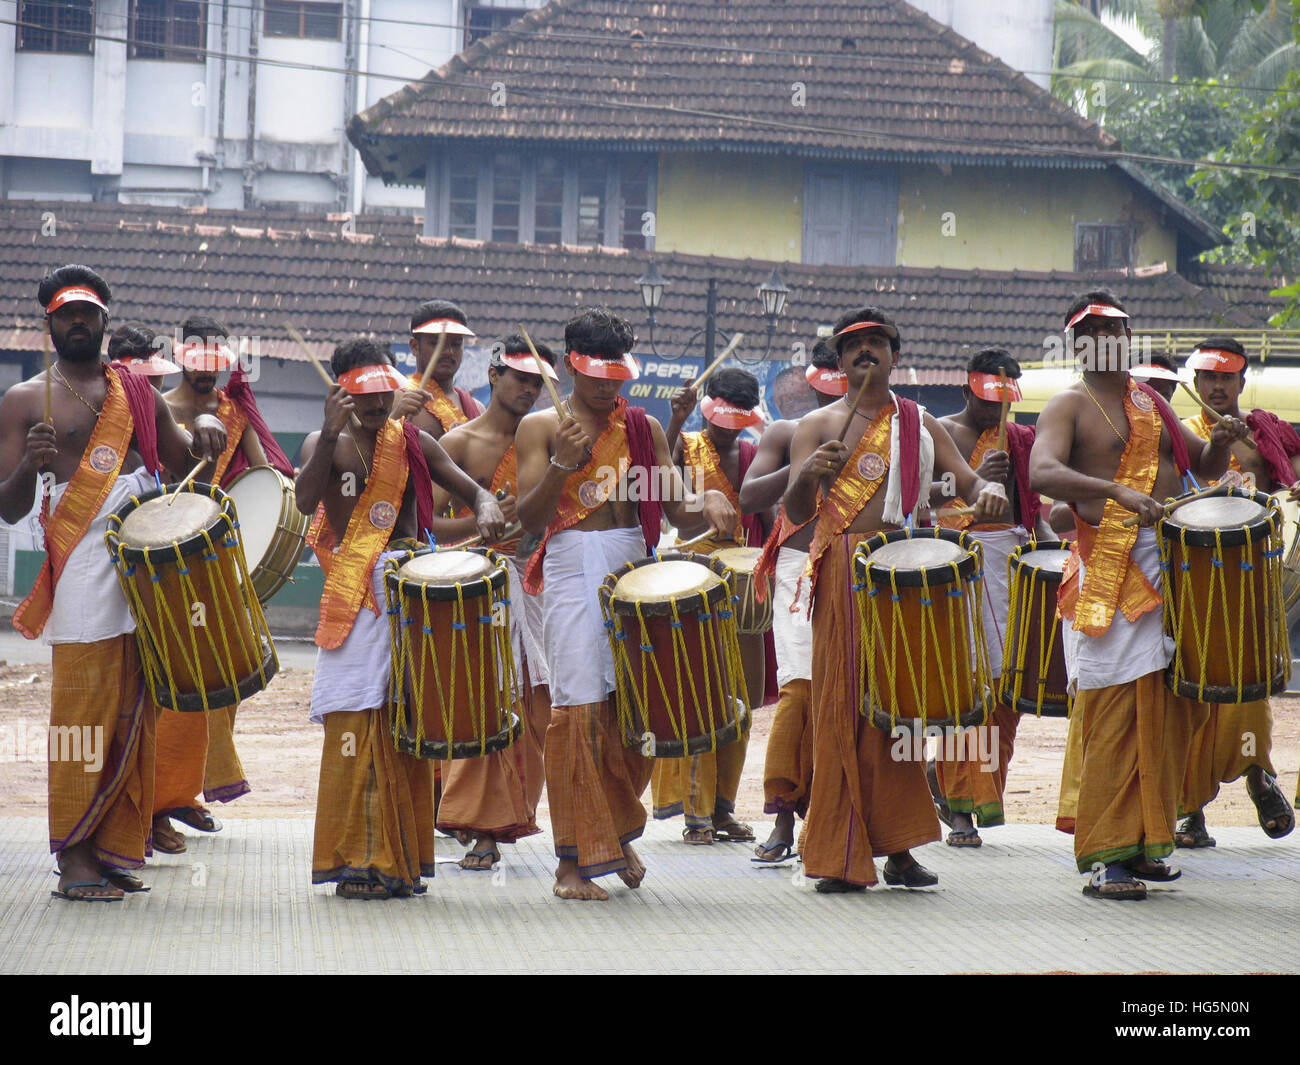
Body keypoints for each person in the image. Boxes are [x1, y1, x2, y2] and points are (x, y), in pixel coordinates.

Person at [0, 264, 226, 901]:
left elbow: (185, 458)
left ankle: (116, 847)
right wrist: (33, 468)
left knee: (136, 706)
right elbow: (9, 507)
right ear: (50, 323)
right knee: (81, 712)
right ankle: (74, 856)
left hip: (142, 565)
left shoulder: (136, 390)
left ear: (104, 319)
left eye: (88, 312)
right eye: (66, 313)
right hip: (80, 566)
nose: (78, 321)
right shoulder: (24, 402)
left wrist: (207, 429)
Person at [1030, 290, 1246, 901]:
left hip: (1165, 565)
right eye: (1097, 330)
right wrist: (1115, 492)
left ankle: (1148, 842)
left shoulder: (1149, 401)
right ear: (1078, 342)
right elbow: (1042, 475)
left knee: (1163, 712)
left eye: (1119, 329)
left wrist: (1224, 440)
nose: (1111, 338)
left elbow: (1201, 468)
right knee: (1113, 714)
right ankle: (1106, 857)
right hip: (1107, 571)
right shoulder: (1068, 404)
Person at [784, 307, 1008, 893]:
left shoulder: (918, 421)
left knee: (897, 707)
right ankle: (837, 852)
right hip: (840, 573)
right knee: (840, 708)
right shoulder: (815, 426)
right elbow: (791, 513)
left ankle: (899, 849)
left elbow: (968, 479)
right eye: (853, 345)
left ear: (893, 355)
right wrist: (808, 473)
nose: (865, 352)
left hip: (904, 574)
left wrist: (989, 490)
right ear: (838, 359)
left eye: (876, 343)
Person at [516, 307, 736, 900]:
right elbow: (529, 522)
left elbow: (678, 509)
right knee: (580, 708)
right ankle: (570, 865)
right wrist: (563, 462)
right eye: (596, 376)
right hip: (572, 565)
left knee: (634, 711)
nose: (609, 387)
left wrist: (709, 499)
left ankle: (609, 834)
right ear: (568, 367)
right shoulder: (539, 428)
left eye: (618, 375)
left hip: (633, 564)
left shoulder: (644, 429)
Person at [295, 338, 504, 898]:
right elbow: (303, 502)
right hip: (352, 592)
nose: (376, 402)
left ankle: (400, 861)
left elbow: (474, 490)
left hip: (409, 592)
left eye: (385, 391)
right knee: (354, 722)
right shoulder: (325, 443)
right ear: (340, 392)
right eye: (364, 395)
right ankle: (357, 860)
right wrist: (330, 434)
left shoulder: (414, 440)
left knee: (403, 720)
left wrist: (485, 505)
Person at [149, 315, 298, 854]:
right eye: (199, 364)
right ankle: (156, 802)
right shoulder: (156, 408)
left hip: (214, 557)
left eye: (217, 366)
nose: (208, 374)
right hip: (159, 560)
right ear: (181, 358)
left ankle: (183, 791)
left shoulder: (235, 415)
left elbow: (266, 477)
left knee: (218, 673)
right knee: (169, 681)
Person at [430, 335, 559, 869]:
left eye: (538, 382)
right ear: (494, 375)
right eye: (519, 379)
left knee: (537, 705)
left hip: (543, 587)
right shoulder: (459, 443)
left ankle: (509, 818)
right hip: (480, 588)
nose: (528, 390)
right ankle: (480, 824)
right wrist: (482, 521)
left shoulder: (556, 440)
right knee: (488, 699)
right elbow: (428, 523)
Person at [1174, 336, 1295, 847]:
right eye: (1208, 377)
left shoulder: (1263, 437)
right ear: (1195, 382)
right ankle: (1190, 807)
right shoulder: (1177, 437)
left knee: (1248, 688)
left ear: (1241, 382)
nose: (1216, 386)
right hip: (1191, 585)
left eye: (1226, 378)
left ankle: (1256, 772)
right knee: (1189, 691)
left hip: (1251, 583)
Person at [930, 349, 1049, 846]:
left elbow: (1034, 510)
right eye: (985, 402)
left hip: (1012, 567)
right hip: (957, 562)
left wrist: (1052, 557)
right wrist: (974, 481)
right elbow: (923, 497)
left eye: (1002, 403)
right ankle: (960, 809)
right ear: (967, 393)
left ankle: (982, 795)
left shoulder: (1024, 439)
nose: (993, 413)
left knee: (1005, 690)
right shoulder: (941, 432)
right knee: (965, 685)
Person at [651, 367, 769, 845]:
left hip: (741, 582)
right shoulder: (686, 444)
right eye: (721, 418)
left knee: (741, 699)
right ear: (707, 407)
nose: (726, 429)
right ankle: (696, 816)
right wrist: (675, 420)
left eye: (737, 421)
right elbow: (657, 487)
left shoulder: (751, 453)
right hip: (693, 578)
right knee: (699, 695)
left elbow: (771, 514)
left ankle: (723, 809)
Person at [742, 340, 845, 862]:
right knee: (799, 690)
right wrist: (804, 464)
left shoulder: (889, 427)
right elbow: (748, 497)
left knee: (853, 697)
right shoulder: (785, 433)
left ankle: (855, 826)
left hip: (856, 572)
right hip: (798, 571)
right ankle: (783, 818)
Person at [407, 299, 485, 438]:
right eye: (437, 343)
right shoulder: (398, 399)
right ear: (415, 346)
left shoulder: (477, 409)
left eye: (456, 344)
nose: (448, 351)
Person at [107, 322, 178, 391]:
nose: (148, 384)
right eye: (140, 376)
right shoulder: (102, 400)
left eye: (155, 376)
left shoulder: (161, 402)